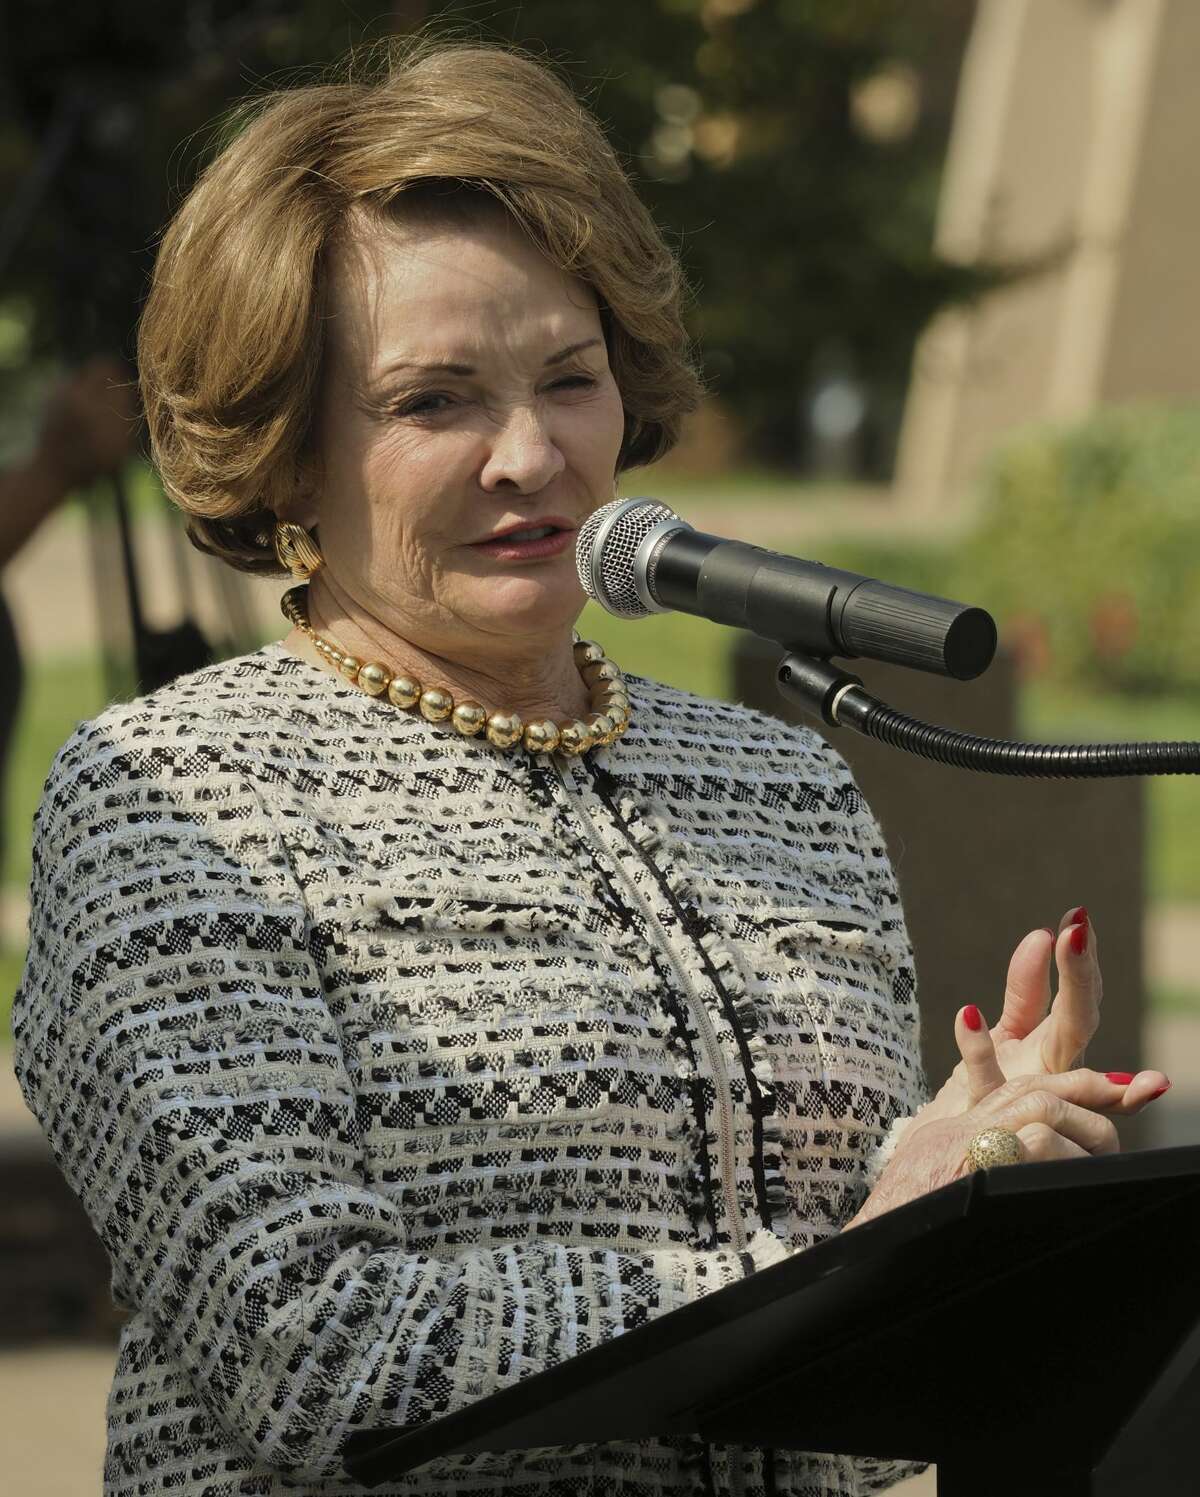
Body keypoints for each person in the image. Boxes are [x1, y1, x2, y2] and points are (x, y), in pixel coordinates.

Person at [10, 39, 1169, 1497]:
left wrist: (985, 1188)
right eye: (434, 401)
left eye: (570, 378)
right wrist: (851, 1260)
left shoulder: (785, 784)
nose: (530, 454)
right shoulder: (175, 801)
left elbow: (846, 1405)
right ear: (287, 452)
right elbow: (308, 1355)